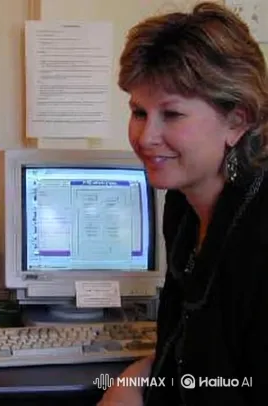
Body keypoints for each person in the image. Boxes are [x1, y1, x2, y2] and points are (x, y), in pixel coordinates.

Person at [98, 2, 268, 406]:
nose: (145, 137)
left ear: (237, 121)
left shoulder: (260, 232)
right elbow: (192, 351)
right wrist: (137, 381)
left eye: (171, 114)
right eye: (139, 112)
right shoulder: (181, 204)